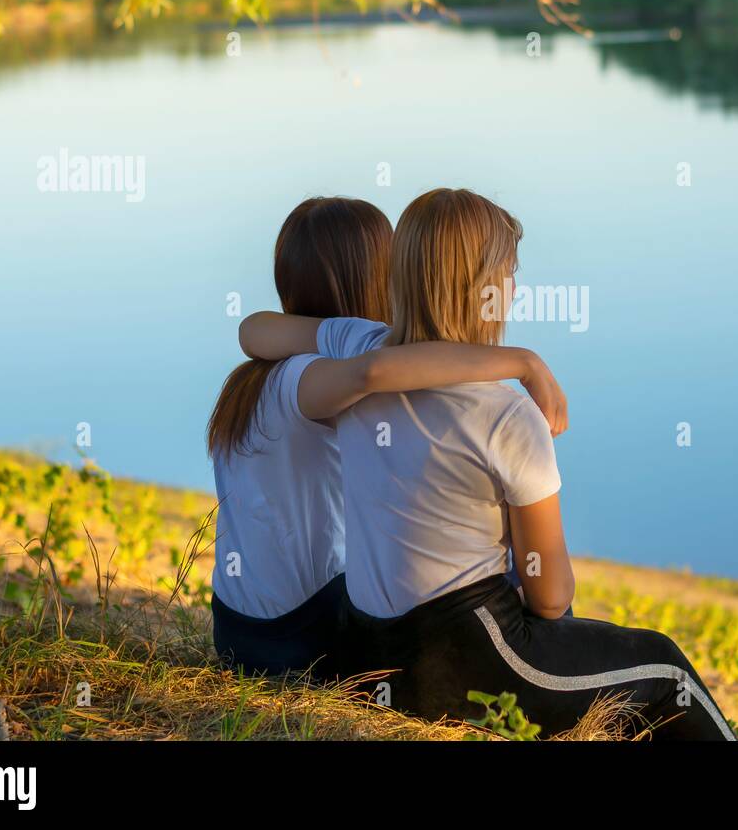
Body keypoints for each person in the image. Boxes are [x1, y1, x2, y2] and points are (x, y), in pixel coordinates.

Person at [240, 188, 735, 739]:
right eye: (510, 272)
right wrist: (522, 362)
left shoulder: (357, 349)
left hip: (371, 656)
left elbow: (255, 332)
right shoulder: (506, 415)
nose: (517, 288)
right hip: (466, 659)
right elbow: (549, 596)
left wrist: (520, 362)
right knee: (664, 667)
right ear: (485, 291)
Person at [207, 195, 566, 678]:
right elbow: (374, 370)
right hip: (299, 638)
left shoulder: (264, 378)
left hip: (239, 628)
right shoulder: (312, 376)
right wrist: (523, 362)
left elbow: (254, 330)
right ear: (375, 274)